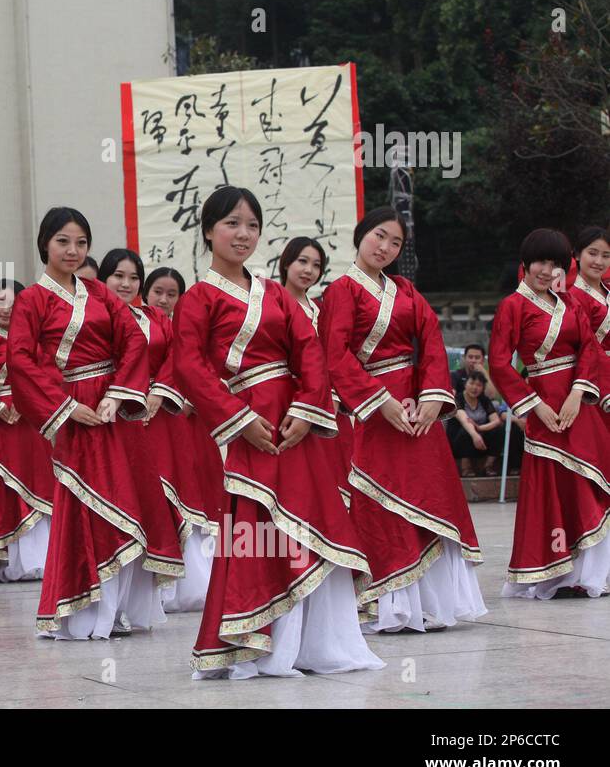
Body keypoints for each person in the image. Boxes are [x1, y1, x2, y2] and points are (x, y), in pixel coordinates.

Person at [178, 188, 381, 678]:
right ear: (208, 231)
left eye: (252, 225)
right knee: (255, 528)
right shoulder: (197, 299)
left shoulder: (273, 294)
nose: (243, 234)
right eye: (231, 223)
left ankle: (322, 647)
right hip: (250, 424)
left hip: (295, 426)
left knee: (313, 525)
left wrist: (309, 407)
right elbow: (189, 364)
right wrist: (241, 419)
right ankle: (262, 646)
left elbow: (310, 350)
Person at [7, 207, 181, 640]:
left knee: (127, 495)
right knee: (86, 501)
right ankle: (86, 613)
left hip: (114, 412)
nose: (72, 250)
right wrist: (65, 407)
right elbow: (22, 360)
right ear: (45, 243)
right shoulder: (31, 300)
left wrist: (119, 394)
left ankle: (120, 608)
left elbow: (133, 340)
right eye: (63, 241)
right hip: (73, 414)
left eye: (81, 242)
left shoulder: (99, 293)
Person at [320, 207, 487, 634]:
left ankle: (432, 604)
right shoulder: (340, 291)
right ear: (360, 236)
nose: (386, 247)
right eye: (379, 236)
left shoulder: (407, 290)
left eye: (395, 243)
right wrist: (380, 402)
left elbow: (431, 340)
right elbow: (334, 355)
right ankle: (390, 603)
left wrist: (433, 398)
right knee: (382, 500)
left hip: (418, 410)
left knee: (428, 496)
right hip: (377, 414)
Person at [491, 228, 610, 599]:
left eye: (555, 264)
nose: (547, 270)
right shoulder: (513, 305)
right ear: (525, 263)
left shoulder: (568, 304)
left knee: (592, 485)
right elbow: (499, 363)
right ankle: (557, 572)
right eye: (541, 261)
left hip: (579, 405)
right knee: (557, 486)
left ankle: (593, 573)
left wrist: (578, 394)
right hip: (545, 410)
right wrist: (534, 406)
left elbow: (589, 349)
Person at [97, 248, 191, 613]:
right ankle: (106, 605)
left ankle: (143, 600)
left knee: (157, 503)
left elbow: (176, 355)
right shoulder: (91, 318)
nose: (125, 283)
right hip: (113, 420)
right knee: (119, 502)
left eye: (133, 277)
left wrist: (158, 393)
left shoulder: (154, 317)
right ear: (102, 278)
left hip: (159, 419)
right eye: (117, 275)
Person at [0, 279, 56, 582]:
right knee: (6, 486)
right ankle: (10, 558)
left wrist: (31, 400)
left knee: (43, 482)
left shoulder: (36, 340)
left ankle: (44, 556)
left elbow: (49, 375)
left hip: (33, 424)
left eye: (13, 302)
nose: (6, 308)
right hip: (5, 426)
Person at [278, 235, 357, 500]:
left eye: (316, 265)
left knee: (332, 484)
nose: (308, 270)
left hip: (327, 406)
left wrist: (332, 398)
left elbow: (334, 359)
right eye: (302, 261)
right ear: (286, 262)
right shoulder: (269, 305)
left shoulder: (323, 312)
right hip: (283, 402)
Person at [567, 225, 610, 435]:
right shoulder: (572, 296)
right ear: (577, 254)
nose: (598, 261)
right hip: (592, 383)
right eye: (592, 253)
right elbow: (587, 346)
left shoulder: (608, 292)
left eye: (606, 256)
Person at [445, 371, 507, 477]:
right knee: (465, 431)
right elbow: (465, 420)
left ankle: (488, 466)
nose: (474, 388)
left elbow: (496, 420)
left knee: (499, 430)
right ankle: (465, 468)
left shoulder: (484, 400)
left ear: (483, 388)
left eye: (479, 385)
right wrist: (475, 434)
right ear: (465, 384)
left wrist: (480, 428)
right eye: (472, 383)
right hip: (460, 441)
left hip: (480, 441)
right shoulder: (457, 400)